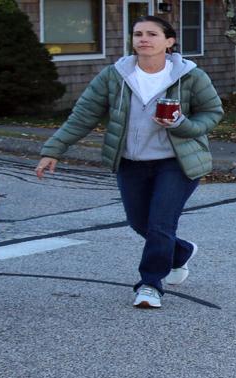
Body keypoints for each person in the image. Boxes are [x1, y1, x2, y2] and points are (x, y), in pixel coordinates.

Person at [35, 15, 222, 309]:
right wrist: (53, 150)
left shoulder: (190, 75)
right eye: (138, 34)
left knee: (160, 223)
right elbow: (83, 116)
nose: (143, 39)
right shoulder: (115, 76)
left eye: (152, 34)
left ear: (169, 42)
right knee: (139, 222)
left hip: (177, 163)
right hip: (132, 162)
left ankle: (150, 285)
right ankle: (180, 251)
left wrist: (181, 124)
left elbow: (212, 113)